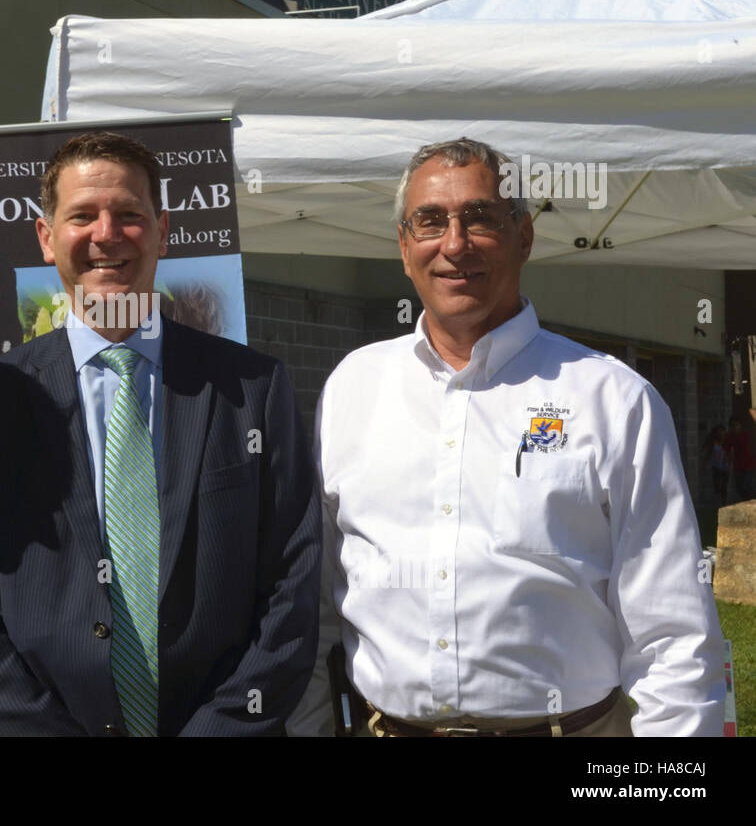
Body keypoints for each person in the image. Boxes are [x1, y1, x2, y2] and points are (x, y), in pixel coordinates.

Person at [297, 137, 724, 737]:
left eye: (480, 218)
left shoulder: (612, 399)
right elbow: (313, 608)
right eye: (430, 222)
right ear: (403, 246)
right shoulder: (352, 388)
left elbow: (673, 634)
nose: (454, 244)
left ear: (524, 237)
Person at [0, 131, 320, 736]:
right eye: (82, 215)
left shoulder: (253, 389)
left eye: (129, 215)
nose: (106, 235)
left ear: (162, 231)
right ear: (45, 236)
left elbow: (292, 586)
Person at [724, 413, 756, 501]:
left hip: (748, 464)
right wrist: (727, 459)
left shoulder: (745, 435)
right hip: (738, 466)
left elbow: (750, 447)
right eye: (733, 426)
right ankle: (747, 501)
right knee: (739, 487)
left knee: (747, 484)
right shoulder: (729, 437)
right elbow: (726, 449)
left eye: (737, 425)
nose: (735, 428)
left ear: (740, 426)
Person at [707, 425, 730, 503]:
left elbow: (731, 453)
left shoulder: (727, 442)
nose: (721, 434)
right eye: (719, 432)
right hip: (716, 467)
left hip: (725, 467)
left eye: (722, 432)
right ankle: (717, 502)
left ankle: (723, 502)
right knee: (717, 485)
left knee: (724, 486)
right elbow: (709, 453)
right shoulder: (713, 442)